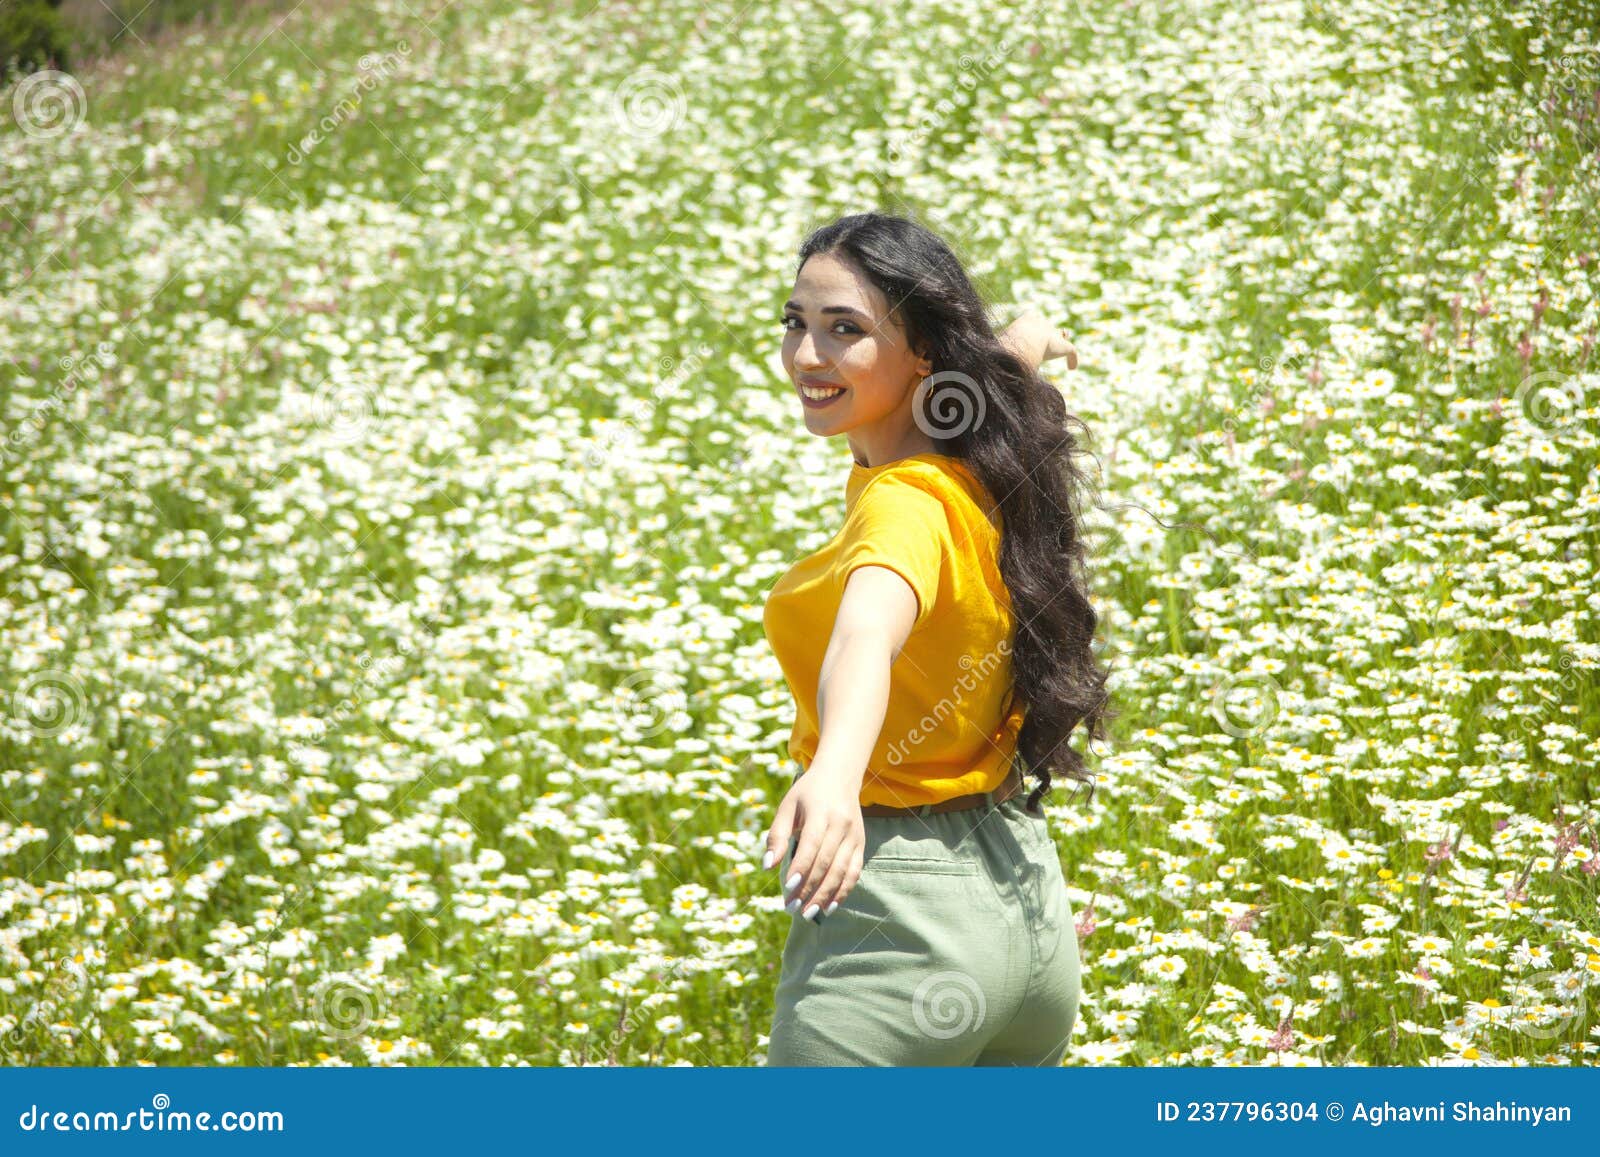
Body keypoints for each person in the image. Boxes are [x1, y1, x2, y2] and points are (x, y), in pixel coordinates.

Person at [759, 210, 1115, 1066]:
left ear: (921, 351)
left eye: (846, 330)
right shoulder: (976, 459)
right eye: (796, 323)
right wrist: (1024, 340)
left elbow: (866, 633)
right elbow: (1001, 372)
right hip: (1022, 912)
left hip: (897, 925)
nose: (809, 356)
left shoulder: (904, 505)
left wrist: (837, 776)